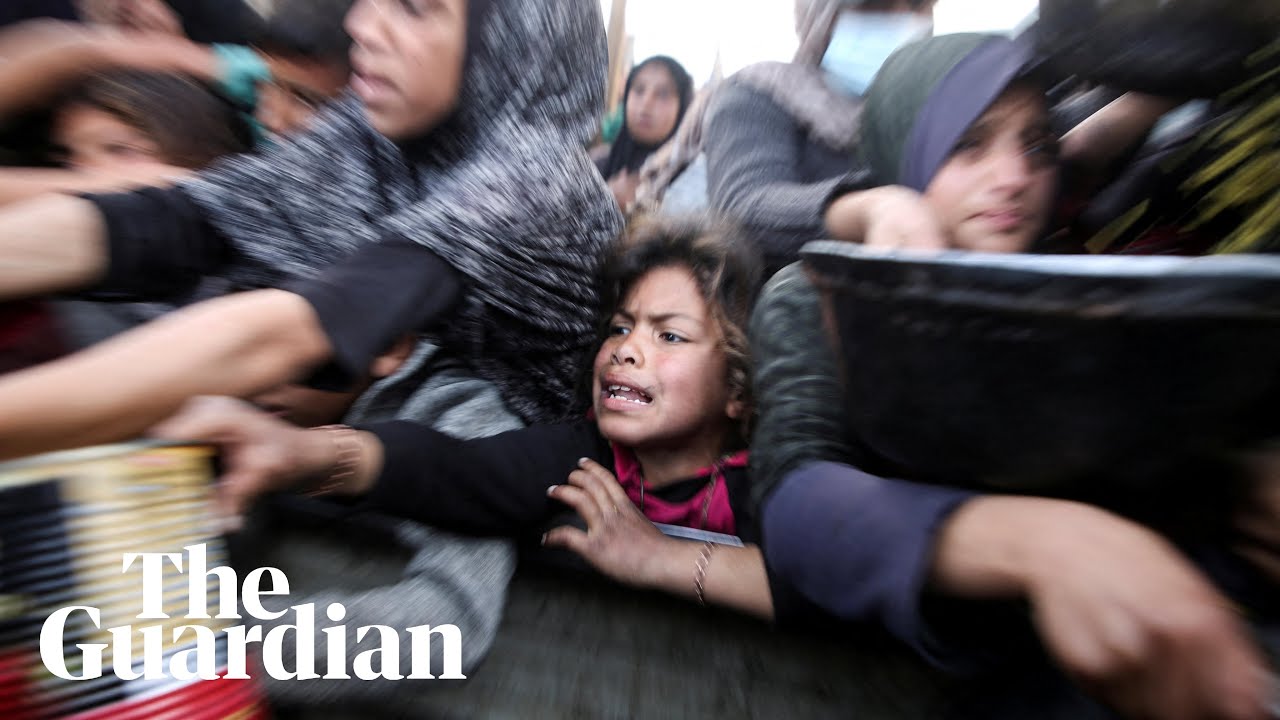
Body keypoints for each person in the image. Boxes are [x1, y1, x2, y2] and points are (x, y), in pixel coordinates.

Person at [751, 32, 1277, 720]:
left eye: (1036, 145)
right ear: (904, 153)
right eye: (970, 144)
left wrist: (1239, 476)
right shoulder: (820, 293)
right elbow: (796, 501)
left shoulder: (1077, 282)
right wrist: (1048, 547)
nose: (1014, 177)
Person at [0, 0, 621, 461]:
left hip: (532, 493)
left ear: (508, 46)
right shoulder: (372, 133)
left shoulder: (535, 183)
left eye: (412, 7)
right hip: (380, 450)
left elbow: (288, 332)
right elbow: (188, 219)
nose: (362, 24)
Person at [154, 217, 786, 620]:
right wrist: (300, 453)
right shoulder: (587, 458)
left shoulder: (776, 486)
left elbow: (832, 583)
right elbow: (457, 471)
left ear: (738, 389)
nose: (627, 349)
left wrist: (662, 559)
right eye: (620, 328)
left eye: (669, 336)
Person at [701, 0, 935, 273]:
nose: (899, 22)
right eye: (874, 7)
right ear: (821, 14)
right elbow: (741, 211)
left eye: (915, 6)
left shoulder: (929, 107)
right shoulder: (757, 93)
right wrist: (864, 211)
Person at [592, 55, 693, 212]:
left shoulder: (691, 179)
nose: (646, 103)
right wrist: (600, 201)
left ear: (682, 108)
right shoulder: (595, 164)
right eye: (639, 90)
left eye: (663, 94)